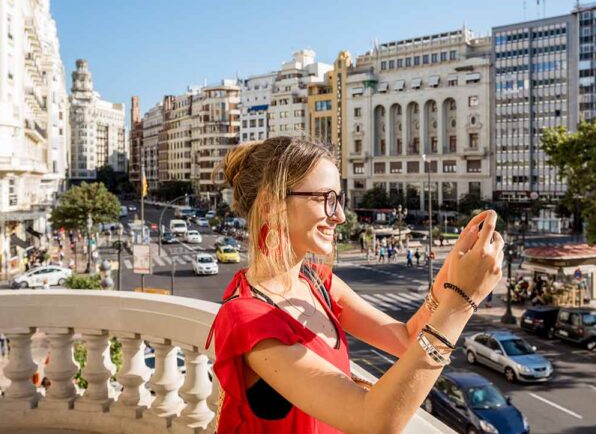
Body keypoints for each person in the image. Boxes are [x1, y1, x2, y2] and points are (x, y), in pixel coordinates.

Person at [204, 137, 504, 433]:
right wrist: (461, 302)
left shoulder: (318, 283)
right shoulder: (247, 319)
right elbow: (373, 420)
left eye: (339, 199)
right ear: (271, 206)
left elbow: (406, 339)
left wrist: (448, 279)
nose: (340, 216)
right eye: (326, 199)